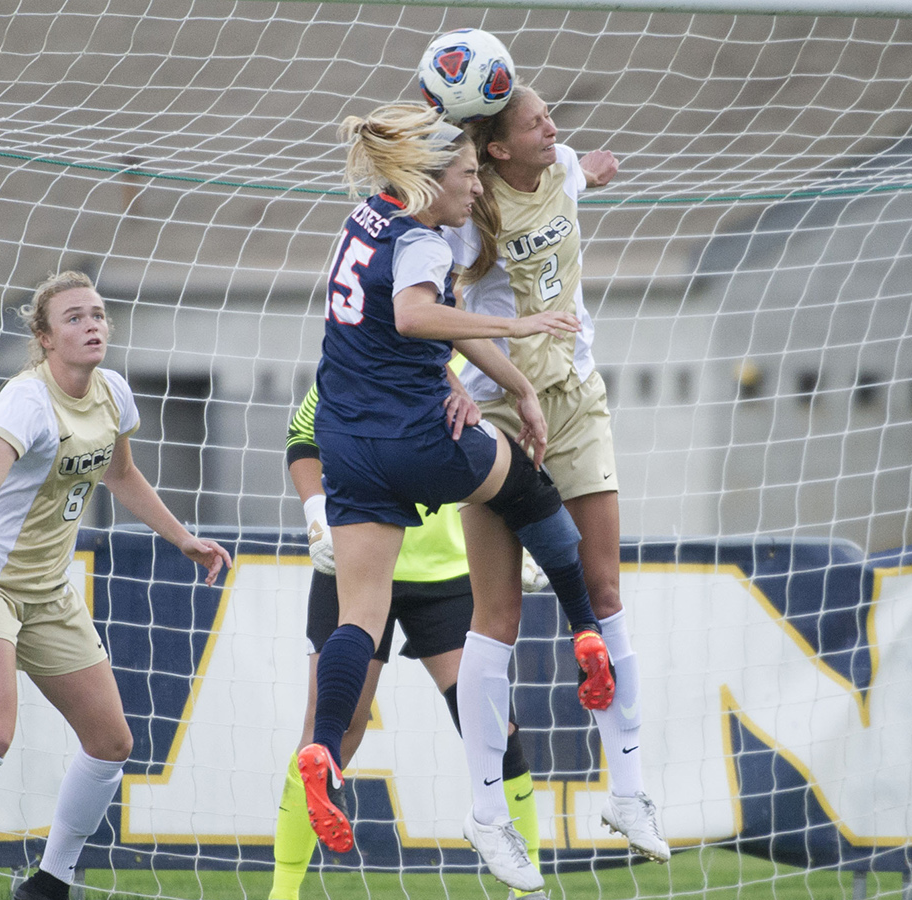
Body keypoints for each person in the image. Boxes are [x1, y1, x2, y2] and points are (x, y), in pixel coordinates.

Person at [297, 101, 610, 895]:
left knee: (357, 617)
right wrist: (527, 326)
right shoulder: (421, 239)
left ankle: (325, 749)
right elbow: (416, 313)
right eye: (467, 173)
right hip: (418, 435)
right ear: (430, 179)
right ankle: (586, 631)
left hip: (349, 444)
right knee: (532, 494)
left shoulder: (366, 216)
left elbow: (433, 319)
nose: (477, 185)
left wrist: (512, 384)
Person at [0, 271, 232, 900]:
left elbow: (123, 474)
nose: (92, 326)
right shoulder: (25, 401)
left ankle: (50, 884)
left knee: (112, 741)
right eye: (76, 318)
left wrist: (183, 537)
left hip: (48, 592)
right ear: (45, 337)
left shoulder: (112, 391)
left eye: (98, 315)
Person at [447, 84, 670, 868]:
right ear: (496, 148)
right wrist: (453, 389)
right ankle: (484, 810)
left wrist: (598, 168)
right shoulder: (469, 219)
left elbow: (581, 169)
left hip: (576, 400)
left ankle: (631, 792)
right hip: (498, 413)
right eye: (534, 120)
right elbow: (431, 311)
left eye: (549, 115)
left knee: (605, 592)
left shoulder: (564, 165)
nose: (552, 125)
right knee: (496, 614)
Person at [272, 383, 543, 900]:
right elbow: (303, 436)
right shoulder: (366, 348)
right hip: (356, 556)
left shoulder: (484, 361)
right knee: (330, 730)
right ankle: (281, 894)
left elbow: (517, 449)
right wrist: (315, 516)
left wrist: (525, 529)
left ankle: (527, 894)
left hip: (449, 573)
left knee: (494, 730)